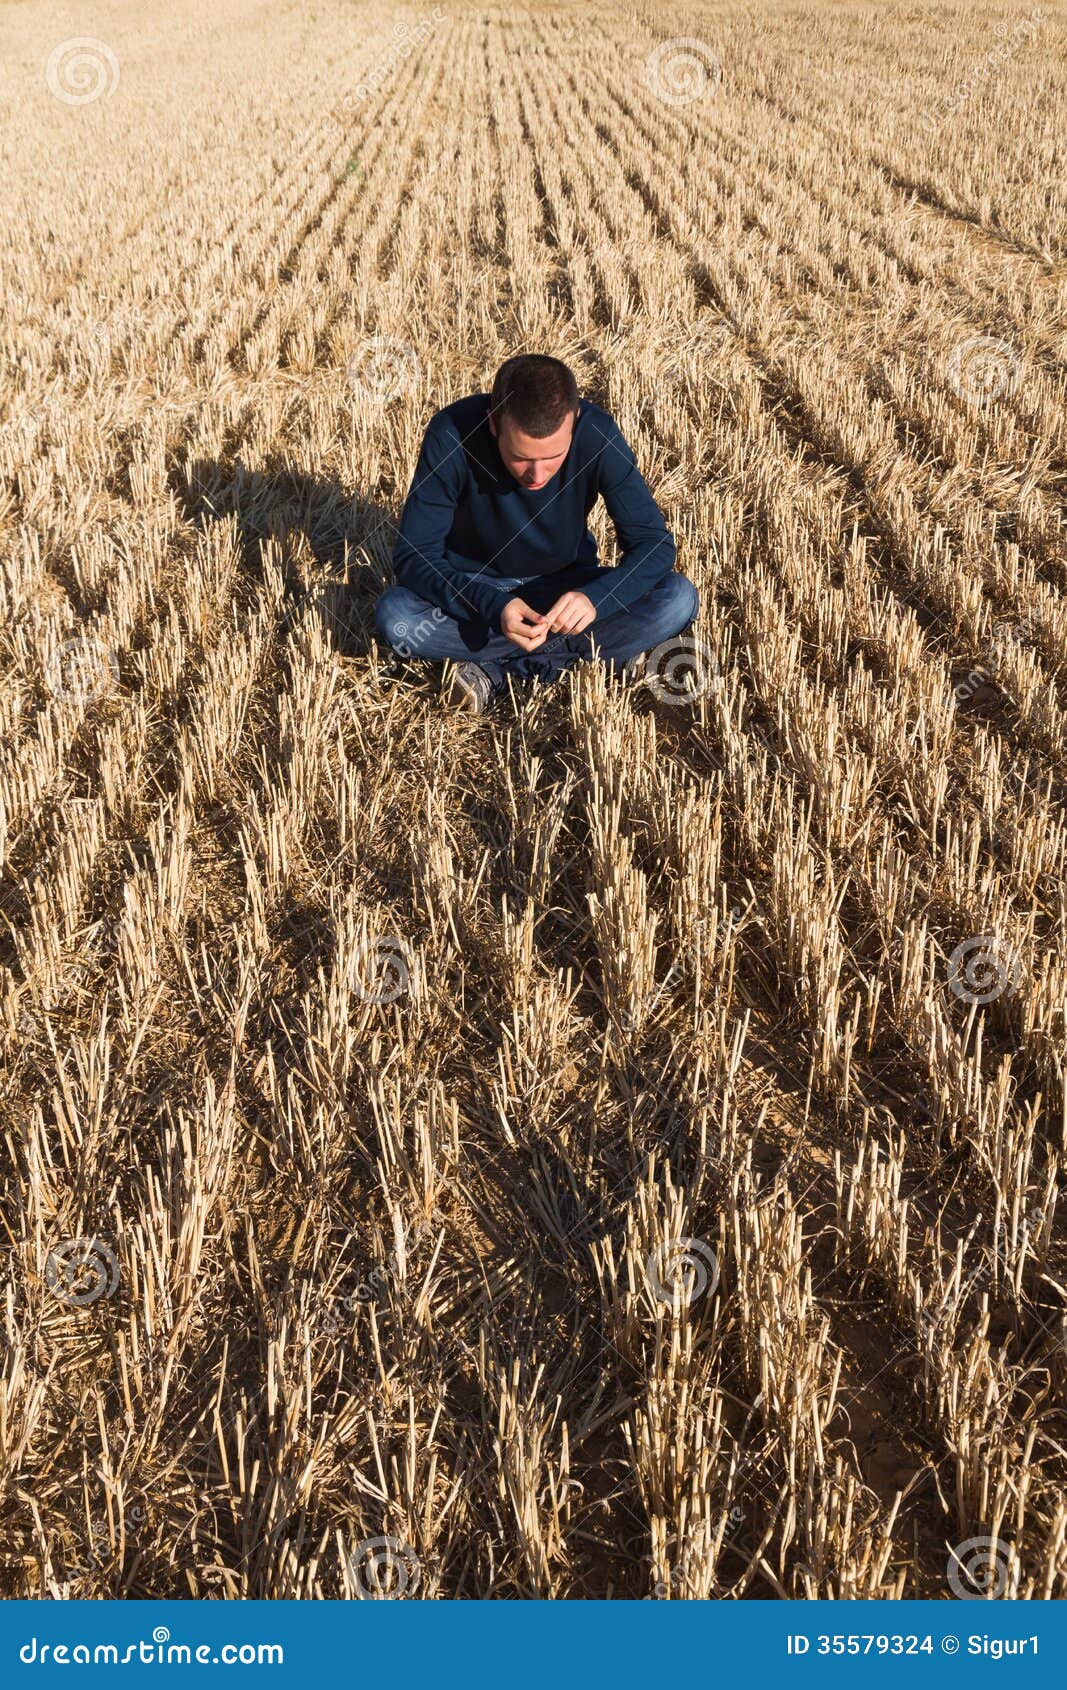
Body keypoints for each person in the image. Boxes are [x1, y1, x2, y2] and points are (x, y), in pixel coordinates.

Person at [373, 353, 699, 712]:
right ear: (494, 423)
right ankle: (581, 657)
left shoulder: (597, 434)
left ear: (574, 421)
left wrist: (597, 598)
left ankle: (493, 669)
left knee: (678, 598)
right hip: (476, 595)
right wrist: (494, 606)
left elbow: (653, 545)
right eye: (521, 457)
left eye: (553, 458)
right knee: (397, 618)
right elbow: (414, 555)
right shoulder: (450, 433)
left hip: (567, 588)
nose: (537, 475)